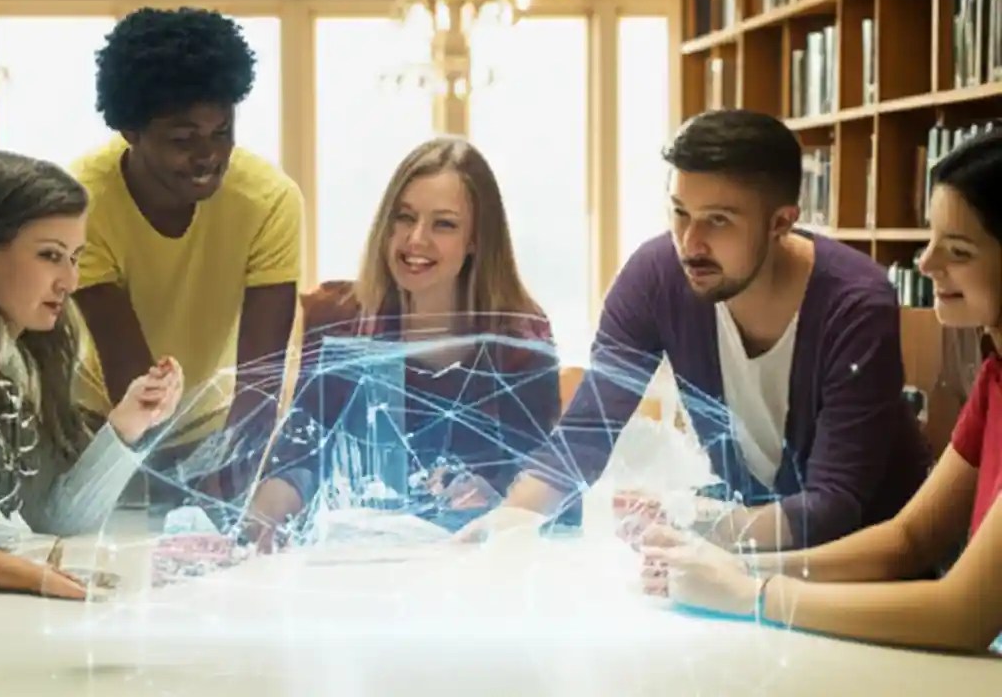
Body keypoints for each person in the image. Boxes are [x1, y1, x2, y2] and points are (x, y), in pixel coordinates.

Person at [461, 109, 931, 549]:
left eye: (718, 220)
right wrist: (509, 524)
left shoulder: (855, 304)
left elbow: (834, 507)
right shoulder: (656, 277)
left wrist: (694, 521)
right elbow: (587, 430)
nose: (690, 242)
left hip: (869, 566)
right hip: (752, 561)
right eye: (680, 212)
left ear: (781, 223)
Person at [639, 127, 1002, 654]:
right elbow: (909, 540)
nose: (924, 264)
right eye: (930, 239)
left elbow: (963, 614)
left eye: (959, 250)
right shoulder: (994, 378)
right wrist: (733, 565)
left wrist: (751, 594)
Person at [244, 137, 562, 548]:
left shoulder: (520, 342)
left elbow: (550, 481)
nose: (416, 239)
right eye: (404, 218)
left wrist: (498, 499)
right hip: (353, 566)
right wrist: (263, 517)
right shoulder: (339, 320)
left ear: (476, 240)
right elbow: (298, 458)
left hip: (470, 569)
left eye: (443, 224)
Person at [0, 150, 182, 599]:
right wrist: (65, 561)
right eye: (49, 256)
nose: (70, 280)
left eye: (75, 258)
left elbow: (58, 519)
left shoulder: (26, 352)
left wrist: (126, 426)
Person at [71, 6, 304, 506]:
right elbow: (135, 384)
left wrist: (228, 480)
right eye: (182, 138)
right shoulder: (82, 201)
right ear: (130, 130)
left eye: (222, 130)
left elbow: (261, 381)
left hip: (213, 430)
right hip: (104, 429)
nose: (209, 155)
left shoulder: (269, 201)